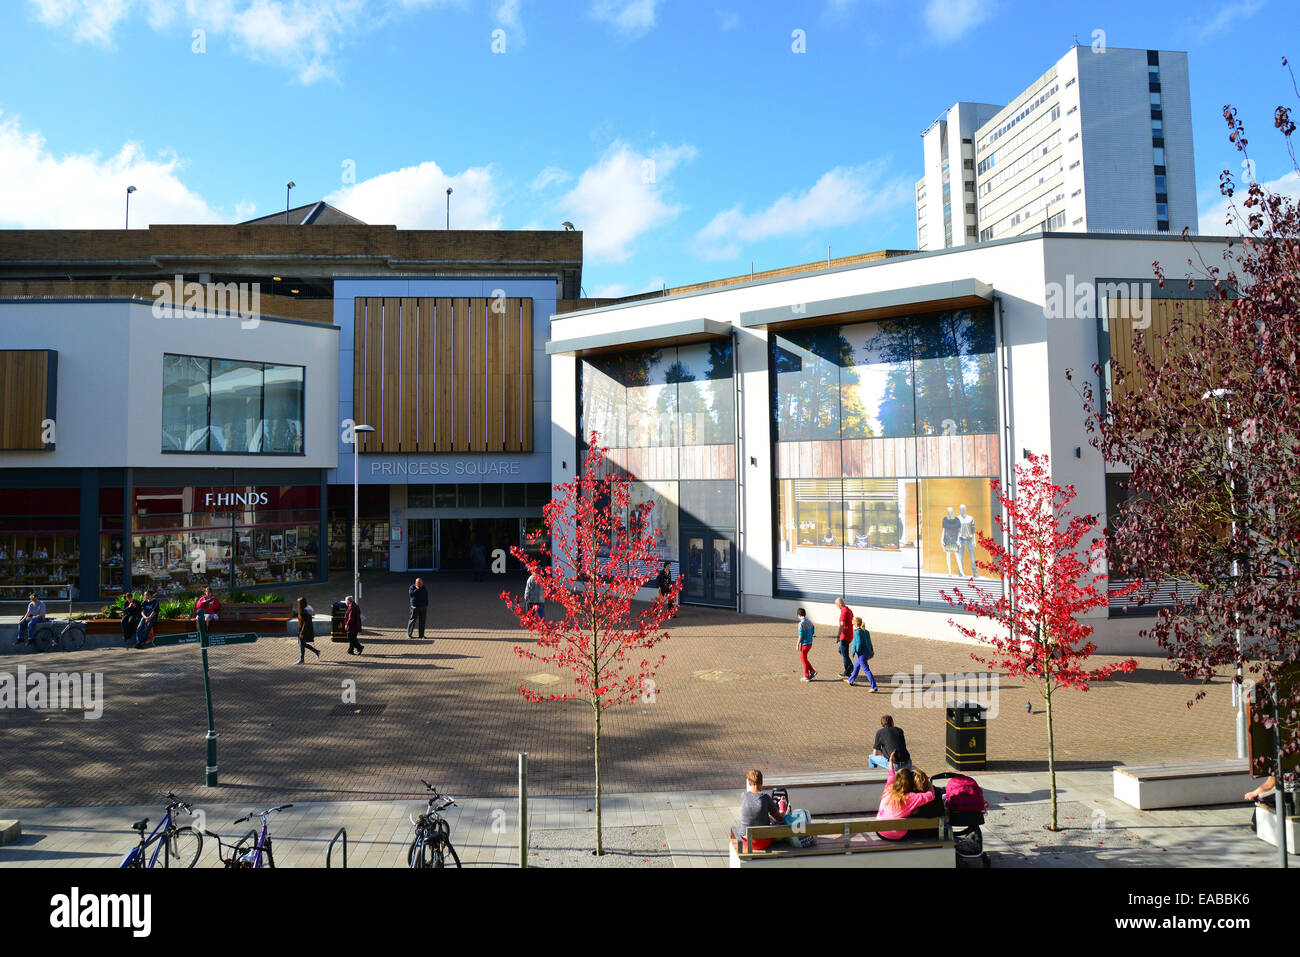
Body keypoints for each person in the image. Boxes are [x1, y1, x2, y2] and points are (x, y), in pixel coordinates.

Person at [738, 769, 812, 850]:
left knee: (769, 818)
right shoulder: (765, 798)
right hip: (763, 842)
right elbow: (780, 819)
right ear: (762, 782)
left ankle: (782, 808)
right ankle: (783, 806)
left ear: (749, 782)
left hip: (746, 841)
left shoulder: (743, 796)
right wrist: (782, 810)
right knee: (782, 824)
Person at [877, 764, 938, 839]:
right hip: (896, 836)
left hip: (880, 832)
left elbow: (891, 779)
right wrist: (928, 782)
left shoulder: (889, 789)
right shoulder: (910, 797)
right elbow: (931, 795)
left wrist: (891, 767)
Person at [845, 616, 878, 691]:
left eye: (853, 623)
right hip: (867, 653)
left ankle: (874, 687)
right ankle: (851, 680)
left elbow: (859, 643)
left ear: (856, 623)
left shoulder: (857, 632)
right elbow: (870, 642)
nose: (853, 625)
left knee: (867, 670)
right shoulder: (866, 631)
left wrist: (856, 651)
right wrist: (872, 651)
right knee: (856, 666)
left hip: (862, 654)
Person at [296, 597, 320, 663]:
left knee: (302, 644)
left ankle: (302, 660)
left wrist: (302, 633)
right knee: (302, 644)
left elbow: (306, 623)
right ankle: (316, 651)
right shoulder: (305, 610)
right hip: (302, 630)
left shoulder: (304, 612)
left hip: (304, 631)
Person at [834, 597, 854, 677]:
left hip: (845, 636)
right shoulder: (849, 610)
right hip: (849, 635)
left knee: (845, 654)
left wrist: (838, 636)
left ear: (840, 604)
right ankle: (850, 666)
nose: (837, 606)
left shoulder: (844, 612)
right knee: (841, 650)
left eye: (837, 604)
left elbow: (842, 625)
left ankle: (848, 671)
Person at [796, 607, 816, 682]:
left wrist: (798, 644)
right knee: (804, 658)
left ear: (799, 615)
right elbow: (813, 630)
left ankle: (806, 676)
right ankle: (812, 671)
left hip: (804, 644)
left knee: (803, 659)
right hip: (810, 643)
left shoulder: (801, 624)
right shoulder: (809, 622)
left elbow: (800, 635)